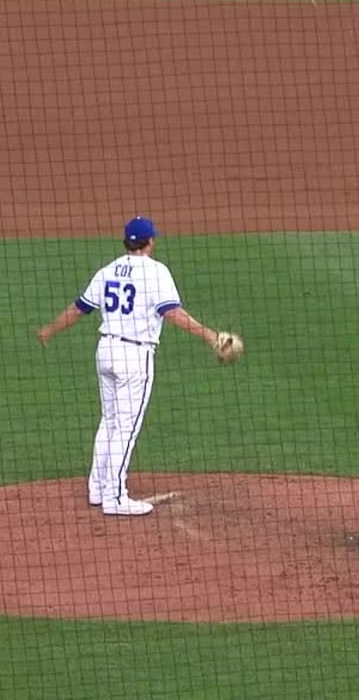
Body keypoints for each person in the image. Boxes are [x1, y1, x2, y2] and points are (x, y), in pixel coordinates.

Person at [36, 217, 230, 516]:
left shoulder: (108, 269)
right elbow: (172, 312)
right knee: (126, 427)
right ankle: (116, 497)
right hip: (134, 356)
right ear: (150, 241)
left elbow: (80, 308)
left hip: (105, 351)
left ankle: (97, 488)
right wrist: (209, 335)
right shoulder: (156, 272)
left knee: (110, 420)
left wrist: (50, 329)